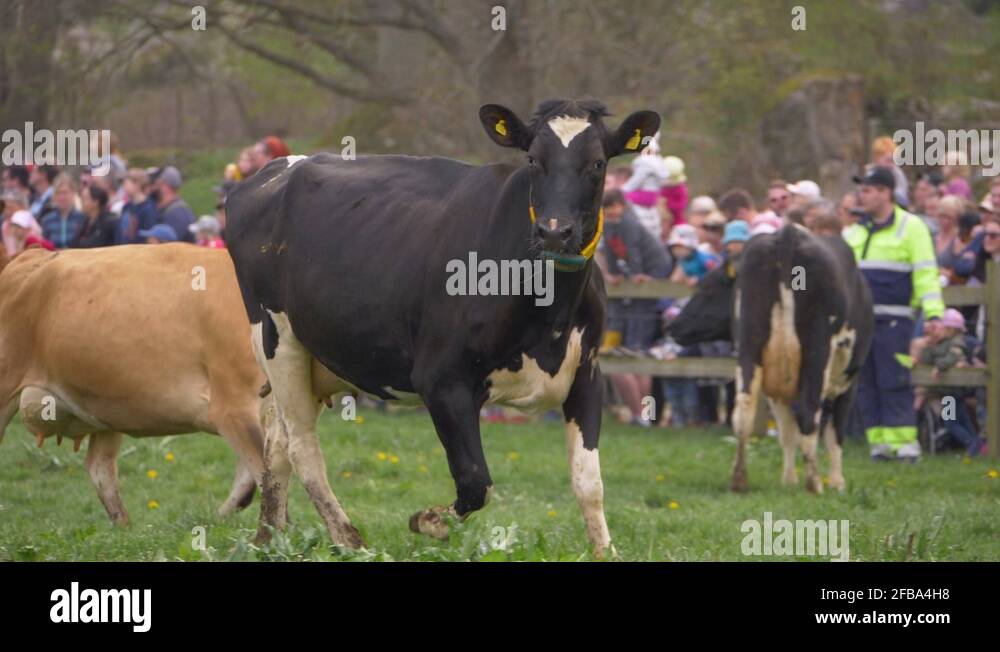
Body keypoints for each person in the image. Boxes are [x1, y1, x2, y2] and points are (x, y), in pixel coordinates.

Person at [844, 166, 944, 462]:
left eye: (868, 189)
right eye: (861, 189)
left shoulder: (912, 227)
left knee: (895, 381)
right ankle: (881, 446)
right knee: (866, 383)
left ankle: (905, 446)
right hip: (860, 323)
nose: (861, 195)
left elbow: (927, 274)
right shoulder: (854, 231)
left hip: (895, 321)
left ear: (886, 193)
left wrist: (934, 315)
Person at [598, 189, 672, 426]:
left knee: (640, 354)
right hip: (629, 287)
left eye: (613, 209)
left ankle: (646, 416)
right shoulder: (609, 225)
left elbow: (634, 251)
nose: (610, 215)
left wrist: (639, 274)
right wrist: (611, 275)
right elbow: (611, 251)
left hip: (653, 271)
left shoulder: (629, 223)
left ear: (621, 206)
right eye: (606, 211)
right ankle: (640, 416)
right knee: (629, 355)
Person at [913, 310, 985, 457]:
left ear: (951, 329)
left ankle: (971, 445)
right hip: (950, 392)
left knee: (950, 423)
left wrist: (939, 366)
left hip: (951, 393)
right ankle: (975, 448)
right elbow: (927, 360)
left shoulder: (957, 343)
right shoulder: (940, 344)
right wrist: (928, 344)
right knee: (963, 420)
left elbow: (953, 357)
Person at [40, 175, 86, 249]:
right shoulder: (47, 220)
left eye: (65, 193)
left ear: (73, 194)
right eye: (58, 193)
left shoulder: (82, 218)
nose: (61, 197)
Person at [154, 166, 196, 243]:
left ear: (165, 186)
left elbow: (172, 246)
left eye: (159, 184)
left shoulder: (177, 213)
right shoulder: (177, 208)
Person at [116, 168, 158, 245]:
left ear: (137, 184)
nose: (123, 187)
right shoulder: (126, 207)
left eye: (126, 183)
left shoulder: (148, 208)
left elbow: (148, 236)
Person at [868, 136, 910, 207]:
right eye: (888, 161)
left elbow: (903, 199)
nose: (891, 165)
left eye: (893, 161)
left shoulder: (898, 175)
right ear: (877, 159)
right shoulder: (869, 174)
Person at [2, 189, 42, 255]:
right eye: (4, 208)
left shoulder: (30, 226)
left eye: (10, 208)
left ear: (22, 207)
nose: (6, 212)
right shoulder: (5, 225)